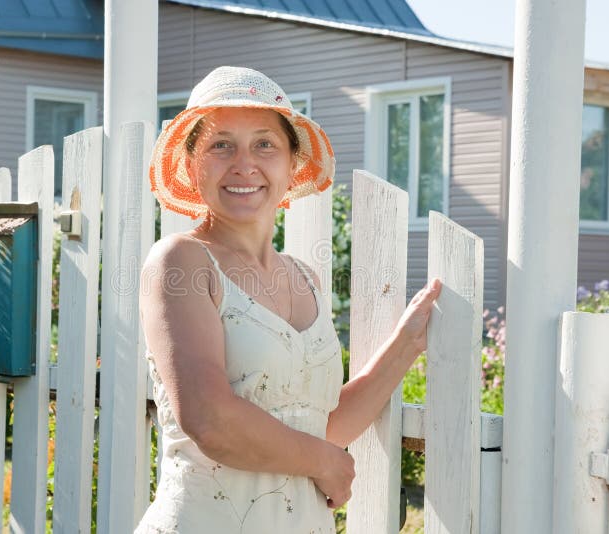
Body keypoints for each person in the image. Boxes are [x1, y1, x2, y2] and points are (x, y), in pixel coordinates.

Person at [136, 66, 441, 534]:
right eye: (221, 145)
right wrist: (324, 463)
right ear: (192, 163)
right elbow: (210, 419)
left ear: (292, 163)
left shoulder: (306, 278)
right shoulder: (181, 262)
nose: (244, 164)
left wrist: (406, 344)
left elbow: (319, 422)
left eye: (264, 144)